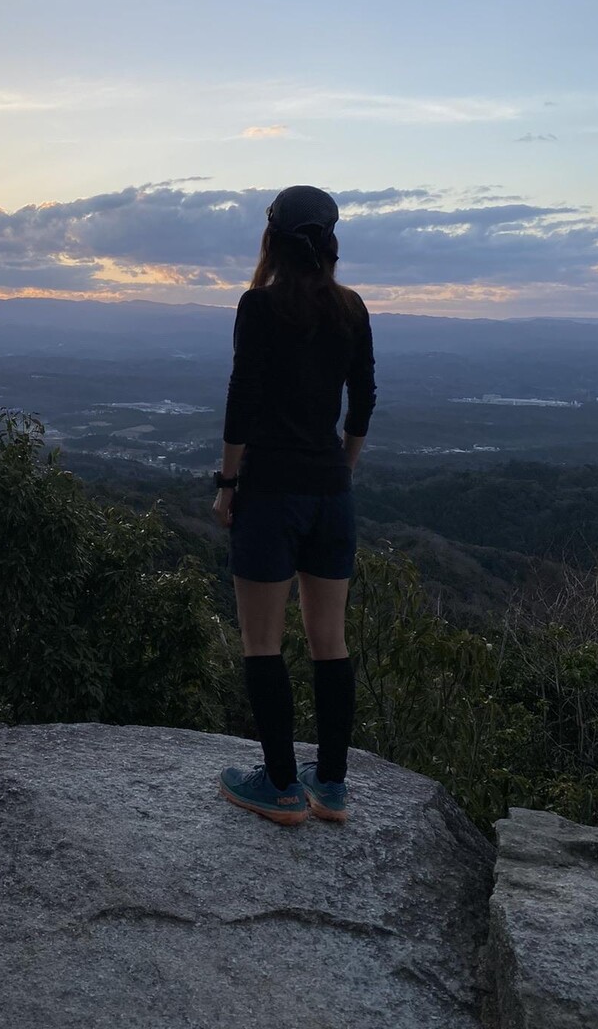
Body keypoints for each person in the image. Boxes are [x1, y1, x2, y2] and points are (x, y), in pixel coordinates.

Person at [213, 185, 376, 827]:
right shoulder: (352, 309)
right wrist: (343, 468)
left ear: (272, 239)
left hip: (269, 493)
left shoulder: (258, 307)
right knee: (328, 642)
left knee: (262, 642)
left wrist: (227, 484)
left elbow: (241, 402)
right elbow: (362, 402)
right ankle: (330, 785)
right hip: (330, 495)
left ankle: (280, 786)